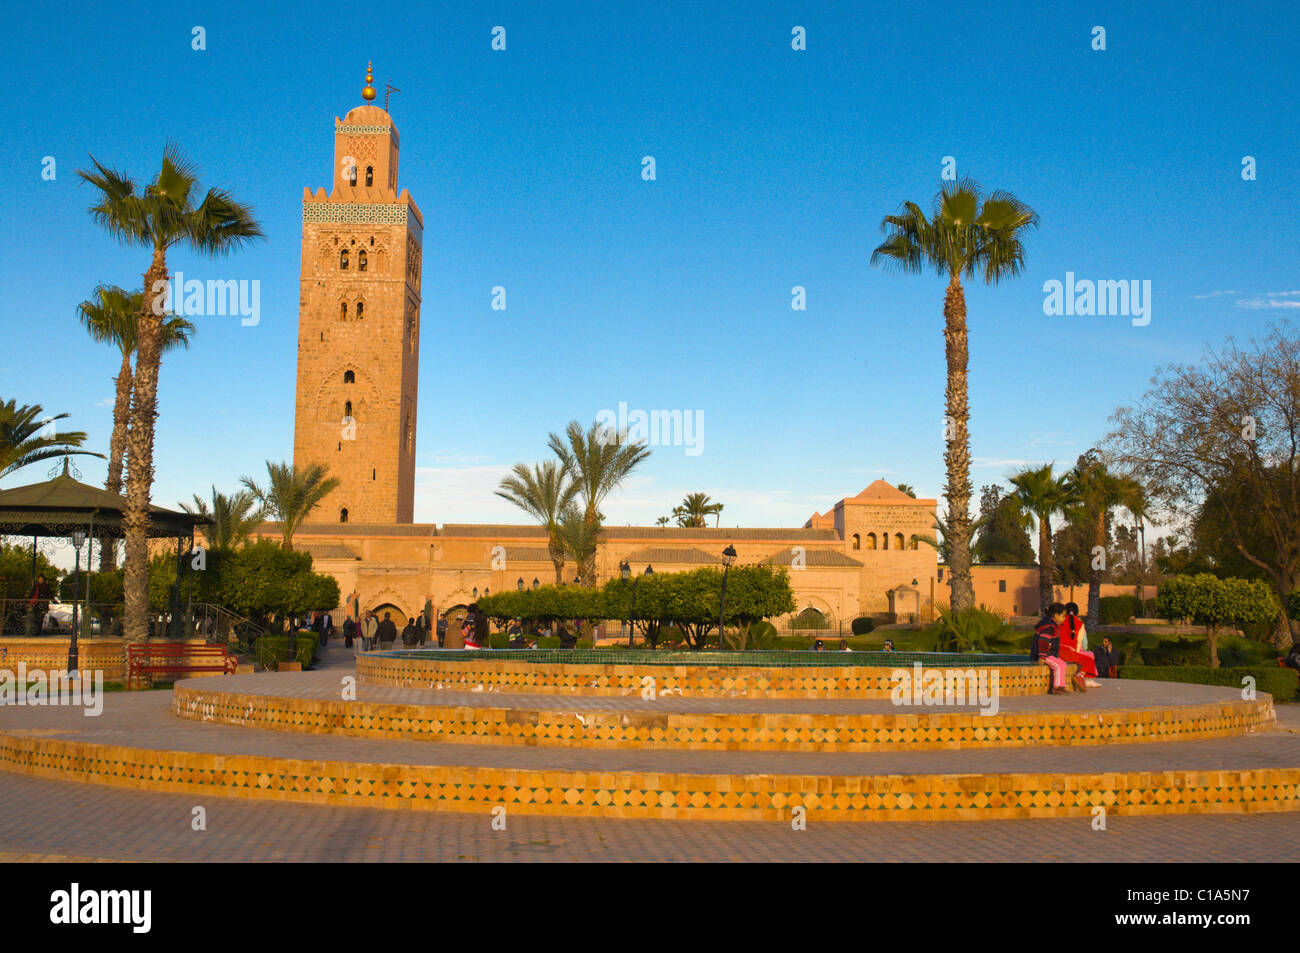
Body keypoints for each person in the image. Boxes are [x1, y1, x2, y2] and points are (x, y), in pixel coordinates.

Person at [1034, 602, 1076, 694]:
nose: (1064, 618)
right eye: (1063, 616)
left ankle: (1061, 686)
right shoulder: (1049, 626)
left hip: (1049, 654)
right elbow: (1043, 641)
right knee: (1059, 665)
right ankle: (1056, 687)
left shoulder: (1051, 625)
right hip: (1045, 654)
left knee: (1062, 664)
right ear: (1056, 615)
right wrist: (1042, 657)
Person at [1060, 602, 1101, 687]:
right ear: (1077, 613)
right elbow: (1080, 643)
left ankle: (1082, 678)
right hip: (1067, 652)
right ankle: (1080, 677)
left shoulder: (1060, 621)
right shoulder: (1079, 624)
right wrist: (1076, 653)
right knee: (1089, 659)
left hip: (1056, 650)